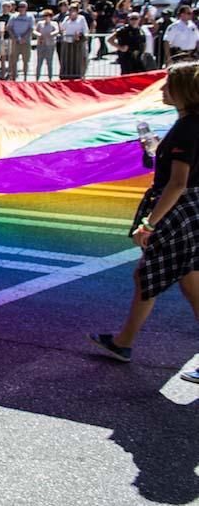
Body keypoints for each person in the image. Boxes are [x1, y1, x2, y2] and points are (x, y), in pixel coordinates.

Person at [89, 62, 199, 363]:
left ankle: (124, 342)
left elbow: (177, 183)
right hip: (187, 210)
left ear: (183, 91)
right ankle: (123, 341)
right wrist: (156, 150)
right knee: (188, 279)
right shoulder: (187, 125)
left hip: (177, 211)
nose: (162, 89)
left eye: (167, 85)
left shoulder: (188, 129)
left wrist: (149, 224)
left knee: (148, 274)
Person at [6, 1, 35, 81]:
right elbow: (9, 27)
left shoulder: (30, 16)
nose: (21, 8)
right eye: (20, 7)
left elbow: (31, 28)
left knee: (26, 60)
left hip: (26, 42)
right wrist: (14, 37)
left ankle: (25, 77)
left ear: (26, 8)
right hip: (15, 42)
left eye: (23, 7)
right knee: (14, 60)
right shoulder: (14, 16)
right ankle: (14, 77)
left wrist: (24, 38)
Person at [33, 10, 61, 81]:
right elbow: (35, 31)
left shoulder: (54, 23)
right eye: (45, 16)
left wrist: (51, 34)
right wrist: (39, 35)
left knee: (49, 62)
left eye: (48, 16)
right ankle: (37, 78)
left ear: (51, 17)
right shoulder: (40, 23)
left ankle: (50, 78)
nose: (46, 17)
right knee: (39, 62)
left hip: (50, 45)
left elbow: (57, 30)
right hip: (41, 44)